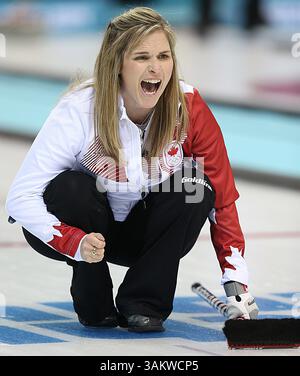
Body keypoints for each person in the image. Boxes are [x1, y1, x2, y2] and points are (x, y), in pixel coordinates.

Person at [5, 7, 258, 333]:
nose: (156, 68)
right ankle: (92, 295)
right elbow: (20, 198)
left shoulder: (188, 106)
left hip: (147, 232)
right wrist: (74, 243)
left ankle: (144, 304)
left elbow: (221, 201)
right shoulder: (80, 109)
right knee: (70, 188)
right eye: (142, 57)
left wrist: (236, 281)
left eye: (164, 56)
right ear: (117, 64)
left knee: (195, 185)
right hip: (86, 231)